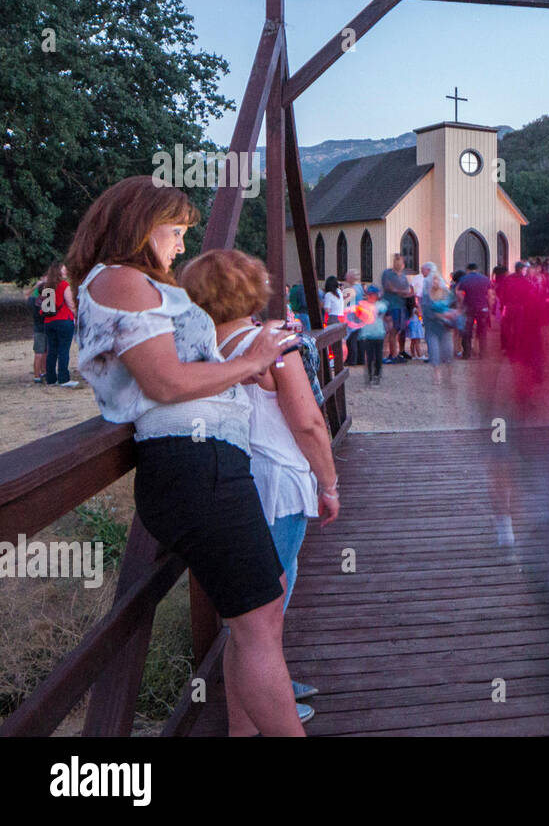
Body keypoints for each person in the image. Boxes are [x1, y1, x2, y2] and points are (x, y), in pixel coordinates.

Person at [67, 175, 303, 736]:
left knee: (258, 619)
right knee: (257, 622)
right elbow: (167, 383)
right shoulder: (121, 280)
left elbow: (180, 366)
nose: (179, 245)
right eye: (173, 232)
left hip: (207, 463)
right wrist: (256, 358)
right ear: (138, 228)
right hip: (194, 466)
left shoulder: (134, 283)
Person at [182, 249, 342, 723]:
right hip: (275, 488)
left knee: (248, 618)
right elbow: (308, 423)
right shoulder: (274, 346)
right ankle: (266, 711)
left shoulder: (201, 351)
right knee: (266, 612)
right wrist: (329, 483)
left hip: (230, 484)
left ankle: (246, 718)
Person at [39, 260, 80, 386]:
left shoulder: (46, 287)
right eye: (63, 269)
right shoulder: (63, 285)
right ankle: (64, 378)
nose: (66, 270)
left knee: (52, 350)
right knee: (64, 350)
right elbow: (70, 304)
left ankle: (51, 378)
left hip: (49, 321)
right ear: (59, 271)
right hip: (64, 320)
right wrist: (77, 317)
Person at [421, 267, 460, 381]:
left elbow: (454, 305)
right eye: (433, 280)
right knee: (434, 351)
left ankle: (449, 373)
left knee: (448, 350)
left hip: (445, 327)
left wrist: (452, 314)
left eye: (437, 280)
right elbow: (427, 312)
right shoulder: (427, 296)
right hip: (432, 327)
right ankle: (437, 374)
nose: (435, 282)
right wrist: (443, 315)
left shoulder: (447, 293)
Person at [456, 262, 492, 358]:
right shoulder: (485, 279)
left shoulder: (464, 279)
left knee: (467, 331)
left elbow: (459, 293)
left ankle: (467, 353)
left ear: (468, 270)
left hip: (469, 307)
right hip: (482, 307)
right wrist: (490, 307)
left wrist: (461, 304)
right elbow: (489, 294)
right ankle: (483, 353)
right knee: (482, 331)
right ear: (477, 269)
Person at [380, 254, 411, 363]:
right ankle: (392, 354)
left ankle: (393, 353)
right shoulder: (388, 273)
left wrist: (405, 293)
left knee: (396, 330)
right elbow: (388, 287)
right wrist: (401, 292)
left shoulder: (402, 276)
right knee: (392, 330)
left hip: (401, 305)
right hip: (391, 305)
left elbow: (406, 290)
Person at [356, 286, 387, 385]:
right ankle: (370, 375)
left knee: (378, 356)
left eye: (373, 294)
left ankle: (377, 374)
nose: (371, 296)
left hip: (378, 334)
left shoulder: (381, 306)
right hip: (368, 335)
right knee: (369, 356)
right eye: (370, 294)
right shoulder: (363, 305)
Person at [27, 282, 47, 384]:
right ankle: (42, 373)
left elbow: (27, 295)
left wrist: (35, 286)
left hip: (37, 329)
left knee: (39, 353)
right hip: (45, 329)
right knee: (43, 353)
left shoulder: (33, 300)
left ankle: (38, 374)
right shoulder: (48, 302)